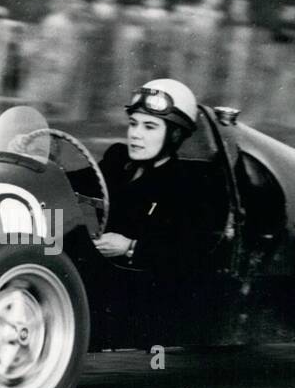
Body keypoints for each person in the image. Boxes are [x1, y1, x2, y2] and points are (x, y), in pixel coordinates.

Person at [92, 78, 215, 274]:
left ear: (175, 134)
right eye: (133, 124)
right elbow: (80, 181)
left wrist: (130, 247)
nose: (135, 134)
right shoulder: (117, 158)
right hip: (89, 264)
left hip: (137, 285)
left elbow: (191, 250)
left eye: (149, 127)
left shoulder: (187, 186)